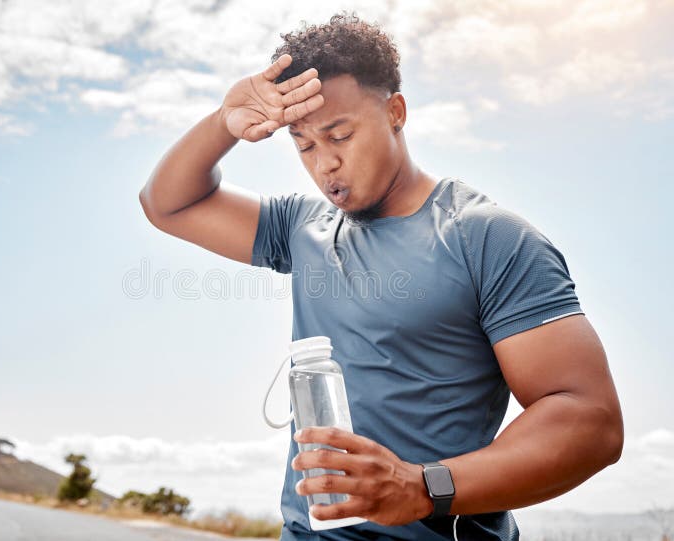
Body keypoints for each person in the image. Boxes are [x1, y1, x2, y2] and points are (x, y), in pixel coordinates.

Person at [139, 12, 624, 541]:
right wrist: (222, 123)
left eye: (339, 135)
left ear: (395, 112)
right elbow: (166, 203)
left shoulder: (484, 236)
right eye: (303, 145)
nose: (325, 163)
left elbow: (589, 420)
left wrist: (421, 486)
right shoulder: (302, 227)